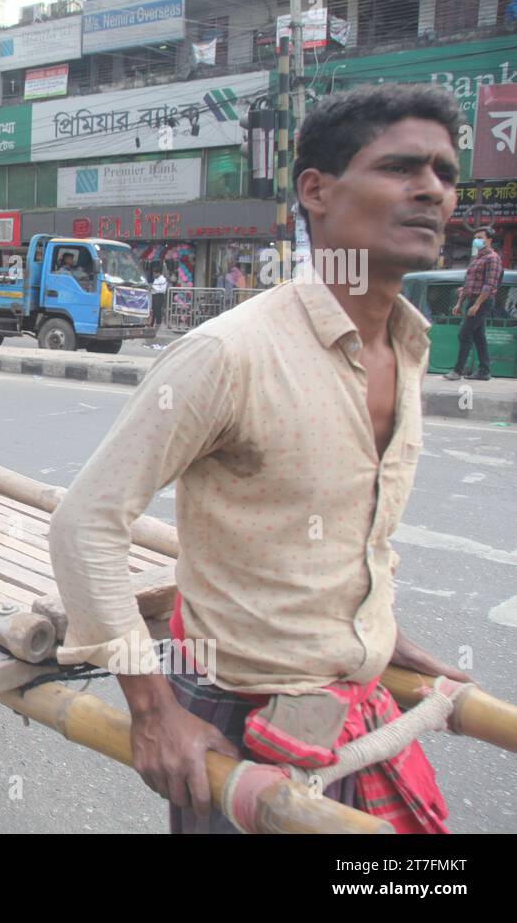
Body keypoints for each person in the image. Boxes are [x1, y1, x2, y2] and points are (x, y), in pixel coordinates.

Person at [48, 83, 474, 834]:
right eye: (402, 167)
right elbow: (86, 523)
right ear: (316, 190)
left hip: (354, 710)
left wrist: (370, 623)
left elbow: (348, 524)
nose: (432, 190)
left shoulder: (408, 344)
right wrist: (152, 710)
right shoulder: (229, 353)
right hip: (234, 722)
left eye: (444, 171)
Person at [445, 226, 503, 382]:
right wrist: (459, 303)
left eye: (480, 237)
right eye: (475, 237)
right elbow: (468, 284)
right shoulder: (476, 259)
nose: (476, 240)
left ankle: (457, 371)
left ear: (489, 239)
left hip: (482, 301)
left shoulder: (493, 258)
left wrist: (477, 305)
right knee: (479, 337)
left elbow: (489, 285)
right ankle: (484, 370)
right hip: (472, 300)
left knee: (464, 334)